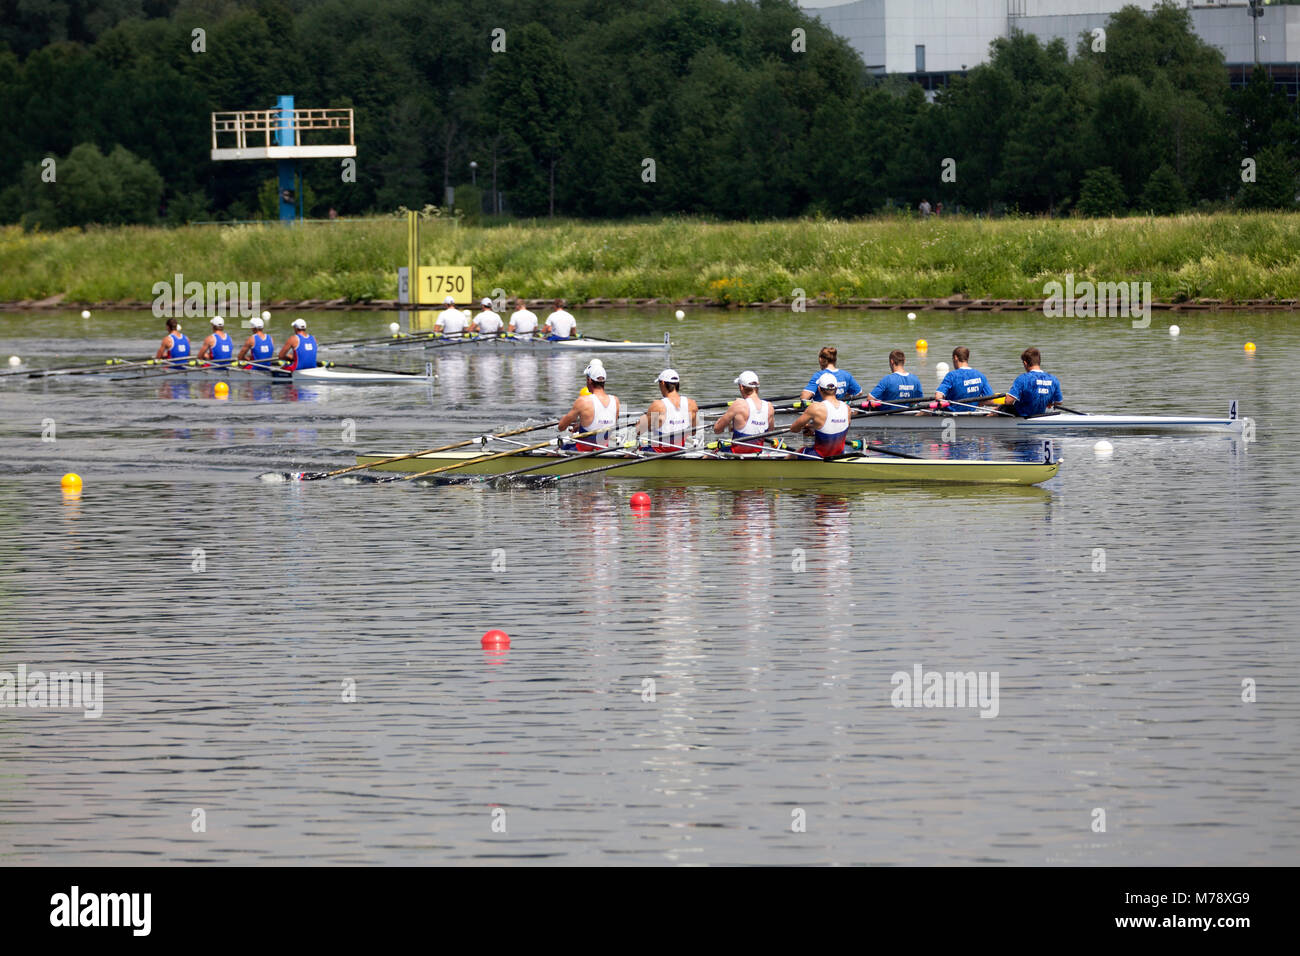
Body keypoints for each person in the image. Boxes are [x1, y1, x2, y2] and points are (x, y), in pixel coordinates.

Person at [557, 359, 620, 451]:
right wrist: (582, 425)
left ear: (589, 380)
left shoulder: (583, 401)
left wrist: (564, 418)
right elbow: (603, 424)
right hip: (603, 450)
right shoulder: (615, 400)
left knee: (554, 451)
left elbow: (561, 427)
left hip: (581, 451)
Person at [789, 372, 851, 458]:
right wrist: (814, 429)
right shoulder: (847, 408)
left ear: (819, 389)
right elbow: (835, 428)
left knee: (792, 455)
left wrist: (807, 427)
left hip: (818, 456)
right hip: (839, 455)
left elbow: (794, 429)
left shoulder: (815, 407)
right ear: (836, 389)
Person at [636, 369, 699, 453]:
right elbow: (693, 432)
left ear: (662, 383)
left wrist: (644, 418)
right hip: (680, 450)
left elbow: (638, 430)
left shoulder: (658, 405)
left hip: (658, 452)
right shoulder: (692, 404)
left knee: (636, 448)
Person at [713, 370, 774, 455]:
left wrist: (726, 421)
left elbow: (717, 430)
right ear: (757, 386)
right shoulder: (769, 406)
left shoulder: (738, 404)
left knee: (713, 452)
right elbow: (770, 433)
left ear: (741, 387)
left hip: (736, 454)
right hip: (757, 453)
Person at [1003, 347, 1063, 418]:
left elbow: (1008, 401)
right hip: (1041, 415)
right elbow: (1059, 402)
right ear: (1039, 362)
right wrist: (1050, 402)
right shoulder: (1054, 379)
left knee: (1001, 408)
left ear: (1025, 363)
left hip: (1021, 416)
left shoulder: (1023, 378)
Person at [935, 346, 993, 413]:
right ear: (967, 358)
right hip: (972, 413)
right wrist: (979, 403)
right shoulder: (980, 376)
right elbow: (990, 401)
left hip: (952, 415)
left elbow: (938, 396)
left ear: (955, 358)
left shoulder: (951, 375)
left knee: (927, 410)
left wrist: (941, 402)